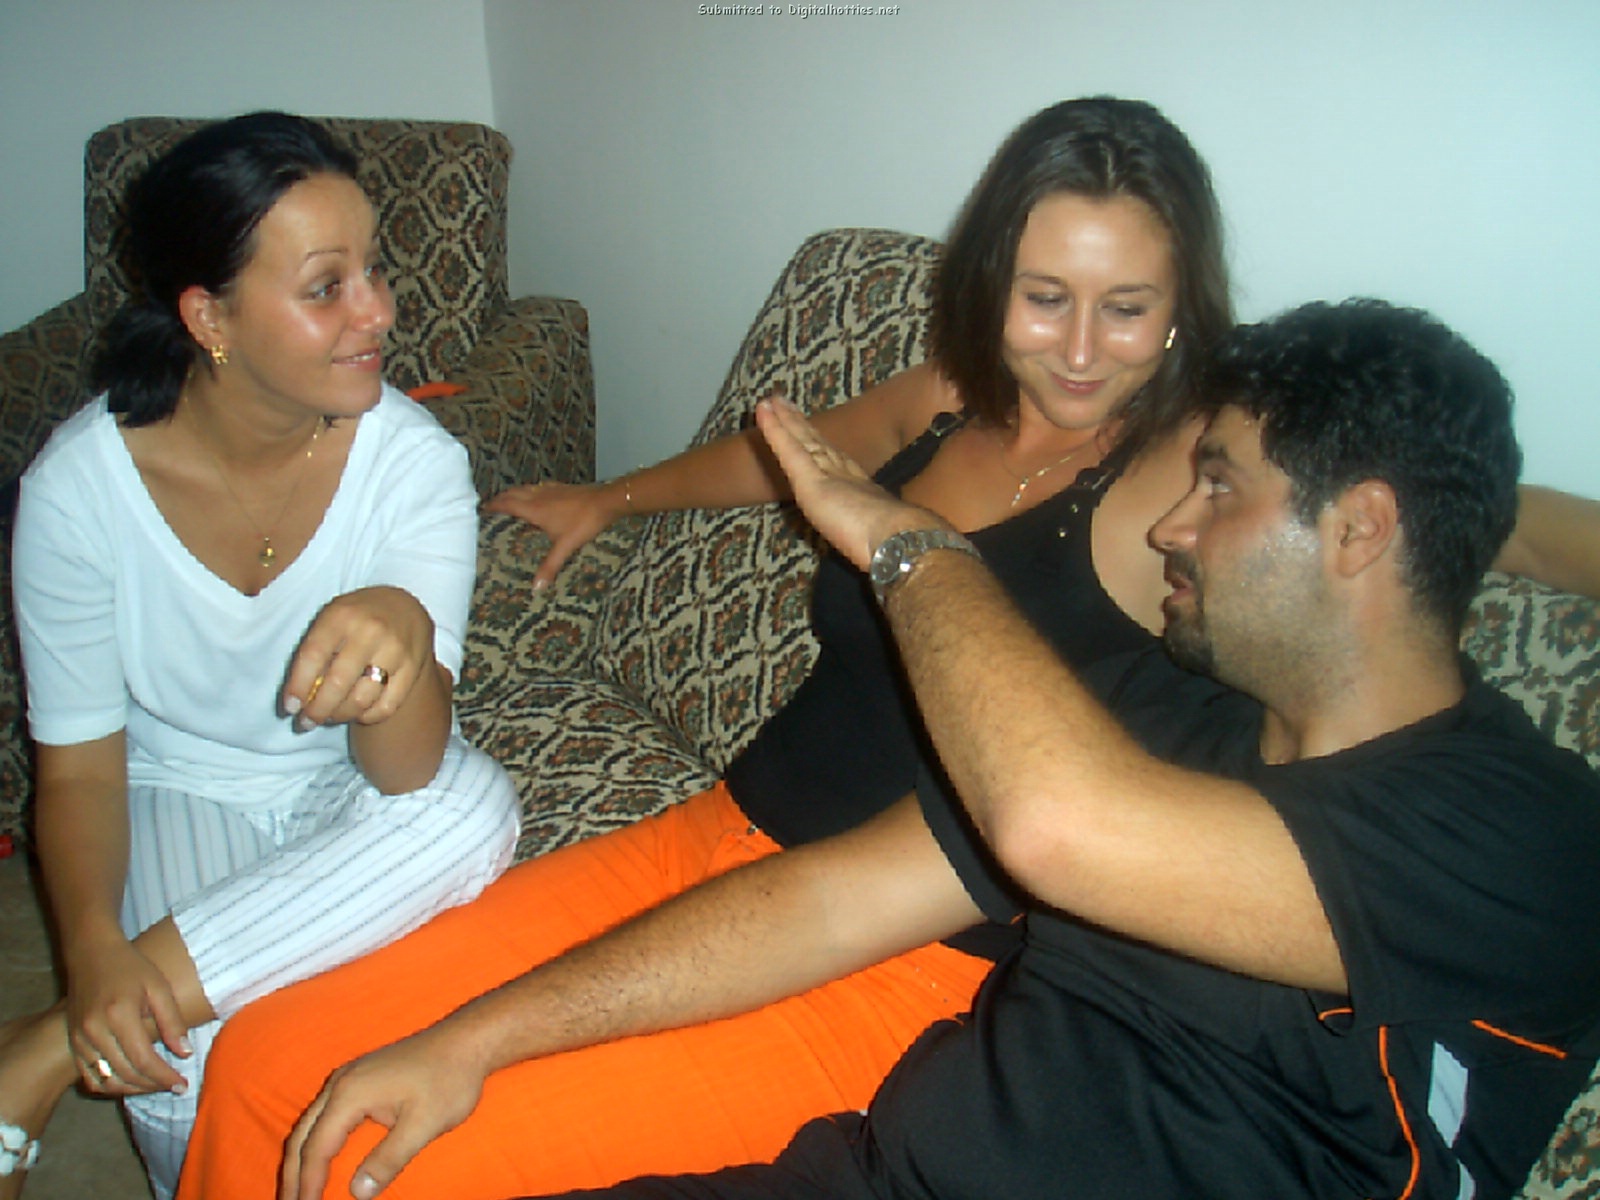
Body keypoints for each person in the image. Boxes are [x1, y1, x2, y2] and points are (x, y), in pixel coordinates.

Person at [188, 100, 1595, 1200]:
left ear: (1183, 308)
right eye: (1044, 297)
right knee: (268, 1063)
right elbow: (791, 460)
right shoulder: (952, 397)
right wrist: (614, 497)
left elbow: (1469, 516)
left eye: (1128, 306)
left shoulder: (1192, 469)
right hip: (726, 838)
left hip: (915, 938)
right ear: (990, 285)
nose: (1082, 350)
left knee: (390, 1152)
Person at [538, 298, 1600, 1200]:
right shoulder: (1160, 708)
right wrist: (472, 1043)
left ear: (1360, 529)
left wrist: (909, 544)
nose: (1170, 527)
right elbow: (829, 902)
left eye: (1220, 486)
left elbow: (1054, 827)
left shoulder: (1535, 841)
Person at [0, 113, 519, 1200]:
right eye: (327, 287)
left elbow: (407, 776)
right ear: (209, 317)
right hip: (175, 785)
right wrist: (95, 954)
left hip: (354, 792)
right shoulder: (78, 494)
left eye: (373, 271)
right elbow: (81, 771)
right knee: (179, 1070)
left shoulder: (413, 467)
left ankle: (37, 1049)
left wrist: (402, 632)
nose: (380, 310)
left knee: (470, 810)